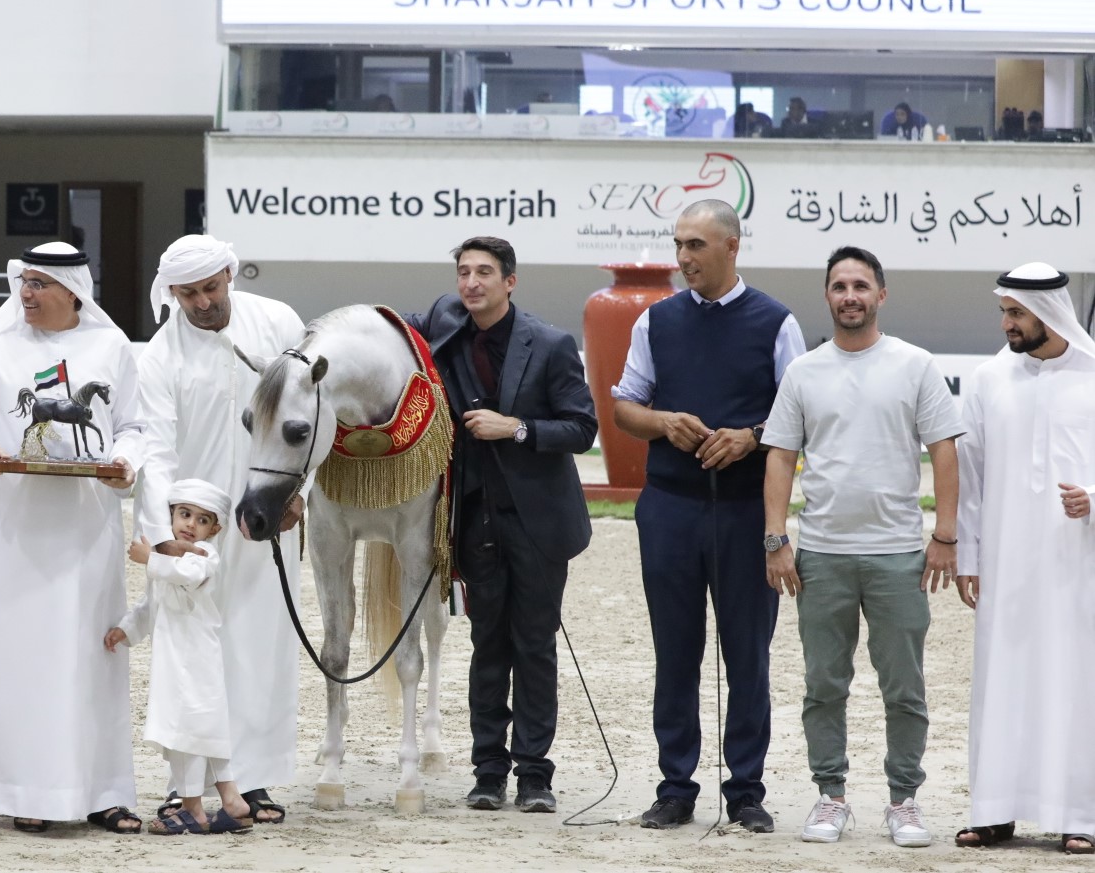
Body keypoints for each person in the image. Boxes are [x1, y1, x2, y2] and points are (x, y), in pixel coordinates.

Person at [612, 199, 806, 833]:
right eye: (678, 245)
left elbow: (799, 418)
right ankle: (676, 785)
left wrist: (751, 435)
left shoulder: (777, 323)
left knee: (747, 651)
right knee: (675, 650)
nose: (683, 258)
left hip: (748, 509)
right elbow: (623, 410)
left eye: (696, 245)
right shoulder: (656, 321)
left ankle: (746, 789)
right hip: (668, 509)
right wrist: (664, 422)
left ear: (732, 246)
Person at [760, 247, 963, 848]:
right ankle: (831, 796)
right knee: (825, 683)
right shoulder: (804, 372)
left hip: (899, 553)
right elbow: (780, 457)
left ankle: (904, 800)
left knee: (904, 685)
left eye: (861, 285)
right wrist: (777, 539)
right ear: (827, 296)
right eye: (839, 285)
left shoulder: (915, 365)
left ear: (881, 295)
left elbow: (945, 451)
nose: (850, 295)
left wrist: (944, 536)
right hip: (821, 553)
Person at [0, 242, 151, 835]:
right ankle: (24, 790)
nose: (26, 294)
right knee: (24, 660)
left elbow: (136, 426)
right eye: (23, 283)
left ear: (72, 291)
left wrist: (123, 460)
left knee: (93, 656)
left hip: (89, 532)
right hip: (19, 533)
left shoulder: (111, 348)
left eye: (39, 284)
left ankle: (104, 790)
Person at [405, 236, 597, 814]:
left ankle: (535, 775)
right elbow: (391, 326)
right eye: (463, 272)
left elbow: (581, 429)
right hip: (473, 521)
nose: (471, 283)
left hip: (539, 521)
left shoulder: (553, 344)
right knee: (487, 645)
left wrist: (513, 427)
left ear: (510, 281)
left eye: (484, 272)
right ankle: (488, 772)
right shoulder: (443, 329)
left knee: (534, 645)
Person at [131, 234, 305, 826]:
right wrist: (163, 532)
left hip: (268, 515)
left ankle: (253, 782)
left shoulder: (279, 322)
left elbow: (312, 415)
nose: (203, 302)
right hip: (196, 531)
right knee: (194, 660)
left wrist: (298, 494)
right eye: (188, 293)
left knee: (261, 647)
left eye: (211, 287)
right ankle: (193, 788)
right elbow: (154, 452)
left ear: (230, 274)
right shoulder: (159, 355)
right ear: (172, 293)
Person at [954, 262, 1095, 856]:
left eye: (1017, 312)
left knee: (1075, 679)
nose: (1007, 323)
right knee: (1002, 676)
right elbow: (970, 477)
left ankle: (1079, 814)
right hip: (1007, 560)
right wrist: (968, 554)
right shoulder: (989, 379)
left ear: (1052, 313)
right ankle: (994, 809)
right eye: (1004, 312)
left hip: (1077, 562)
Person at [106, 479, 254, 836]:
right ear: (170, 516)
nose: (190, 524)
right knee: (202, 728)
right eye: (184, 514)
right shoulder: (170, 559)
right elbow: (150, 603)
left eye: (202, 520)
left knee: (187, 729)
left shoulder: (205, 557)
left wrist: (150, 558)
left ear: (214, 529)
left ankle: (192, 810)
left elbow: (185, 575)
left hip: (195, 656)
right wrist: (127, 629)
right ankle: (233, 802)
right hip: (175, 657)